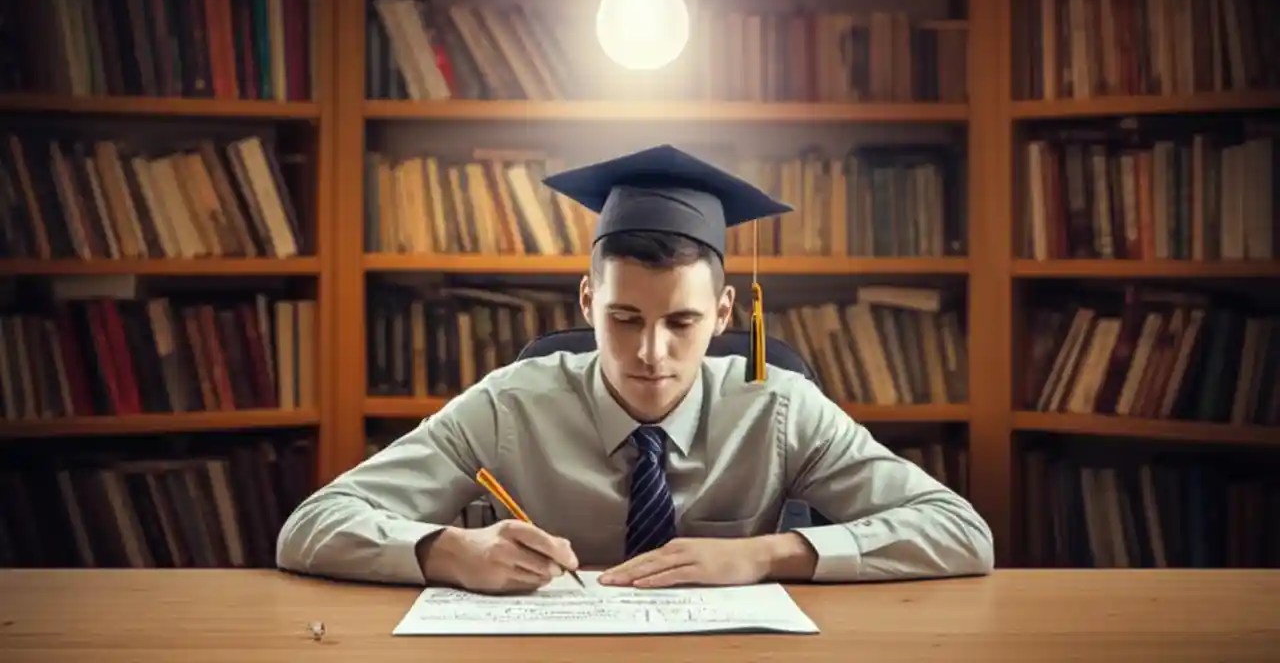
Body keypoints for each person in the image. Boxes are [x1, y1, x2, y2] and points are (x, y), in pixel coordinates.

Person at [276, 144, 994, 593]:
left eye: (681, 322)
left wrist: (767, 556)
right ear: (588, 301)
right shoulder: (509, 405)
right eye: (624, 319)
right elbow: (312, 525)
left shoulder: (780, 407)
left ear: (722, 315)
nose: (651, 353)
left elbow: (960, 532)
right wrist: (447, 550)